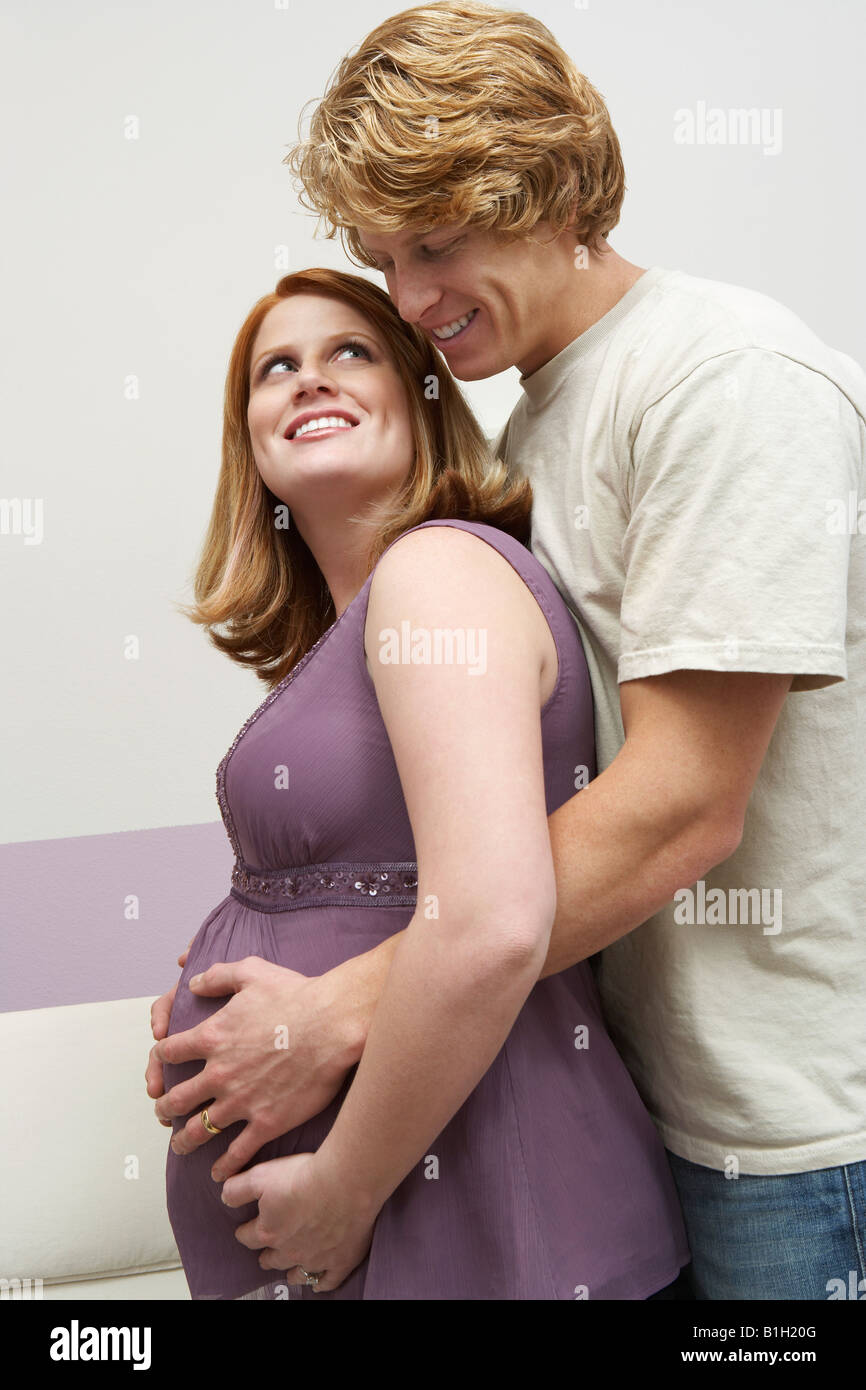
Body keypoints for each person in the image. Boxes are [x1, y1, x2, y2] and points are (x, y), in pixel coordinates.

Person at [149, 1, 866, 1300]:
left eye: (436, 242)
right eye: (380, 253)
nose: (412, 298)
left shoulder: (721, 381)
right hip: (651, 1102)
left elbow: (683, 805)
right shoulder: (527, 435)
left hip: (790, 1135)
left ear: (547, 190)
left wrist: (337, 1009)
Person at [155, 264, 689, 1300]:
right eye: (277, 368)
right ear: (251, 444)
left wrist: (345, 1187)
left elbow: (486, 922)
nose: (310, 379)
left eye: (349, 352)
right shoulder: (350, 633)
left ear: (423, 395)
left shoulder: (435, 573)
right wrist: (217, 1010)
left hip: (461, 1199)